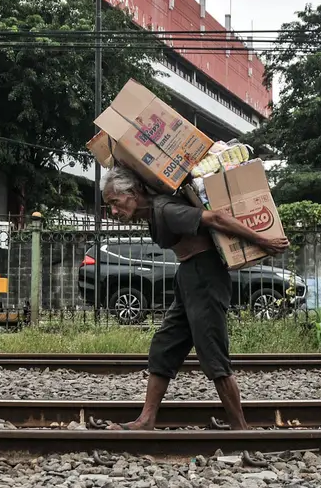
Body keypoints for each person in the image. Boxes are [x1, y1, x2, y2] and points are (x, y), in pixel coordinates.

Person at [100, 165, 291, 430]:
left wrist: (263, 241)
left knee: (211, 349)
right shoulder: (153, 211)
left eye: (115, 202)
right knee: (165, 345)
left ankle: (240, 428)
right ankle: (146, 420)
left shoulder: (166, 211)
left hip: (205, 275)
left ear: (133, 193)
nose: (114, 211)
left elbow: (216, 219)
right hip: (190, 275)